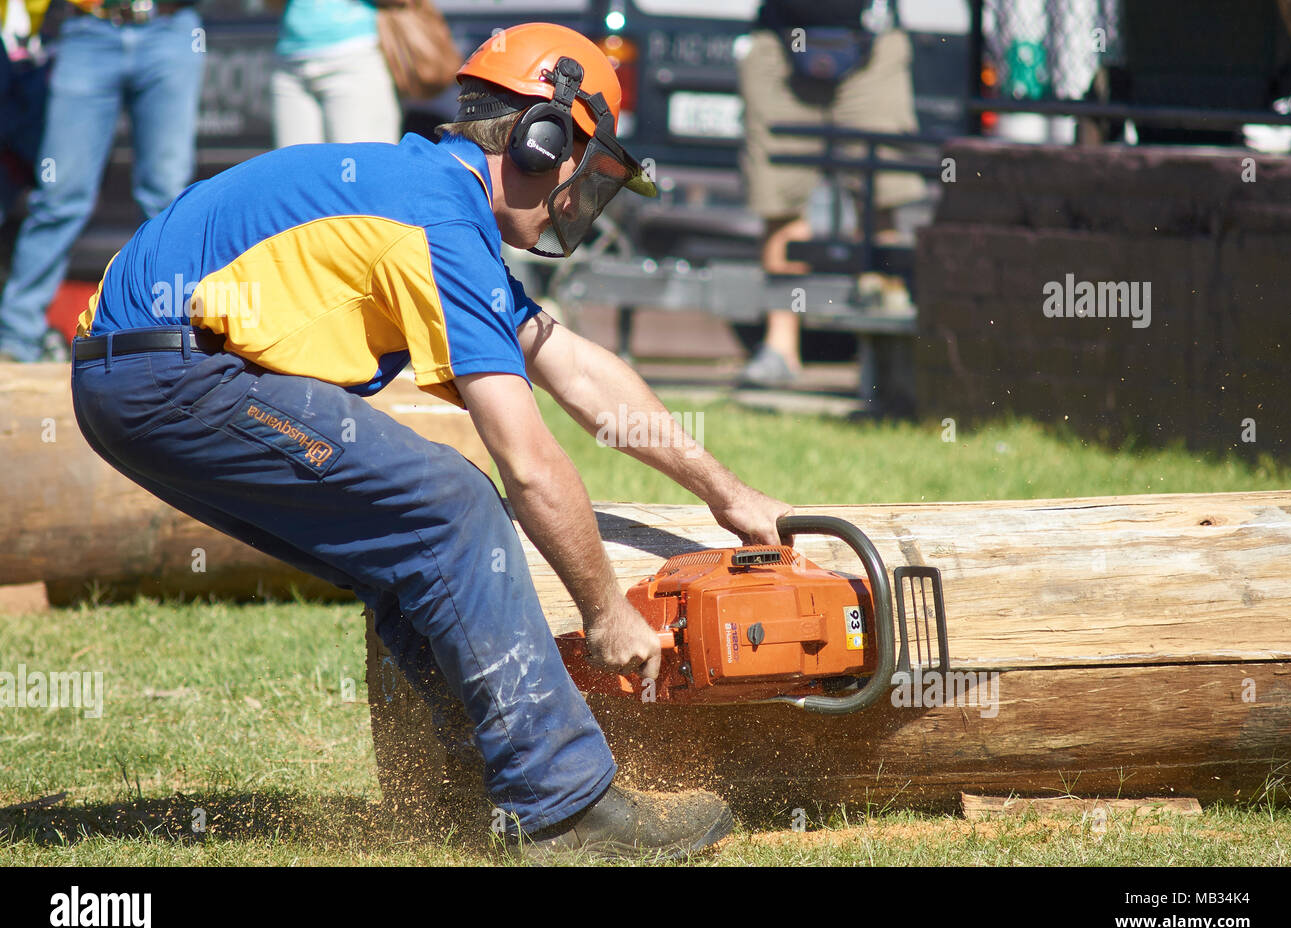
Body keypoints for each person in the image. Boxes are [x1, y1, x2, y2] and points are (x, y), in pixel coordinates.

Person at [70, 22, 791, 860]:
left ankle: (460, 798)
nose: (571, 202)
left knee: (408, 542)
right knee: (453, 504)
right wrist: (605, 613)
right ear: (539, 139)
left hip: (139, 370)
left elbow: (577, 372)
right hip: (164, 372)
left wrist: (727, 493)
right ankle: (564, 809)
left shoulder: (432, 201)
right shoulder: (436, 224)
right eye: (577, 175)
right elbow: (526, 462)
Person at [0, 0, 204, 363]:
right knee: (60, 195)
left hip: (171, 27)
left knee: (167, 198)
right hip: (87, 29)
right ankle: (17, 336)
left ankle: (180, 334)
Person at [737, 0, 924, 387]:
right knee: (780, 201)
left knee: (880, 196)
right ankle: (781, 349)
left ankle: (883, 362)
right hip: (782, 36)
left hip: (871, 38)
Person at [269, 0, 402, 148]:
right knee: (295, 166)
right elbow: (272, 5)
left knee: (362, 163)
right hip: (290, 64)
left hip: (353, 59)